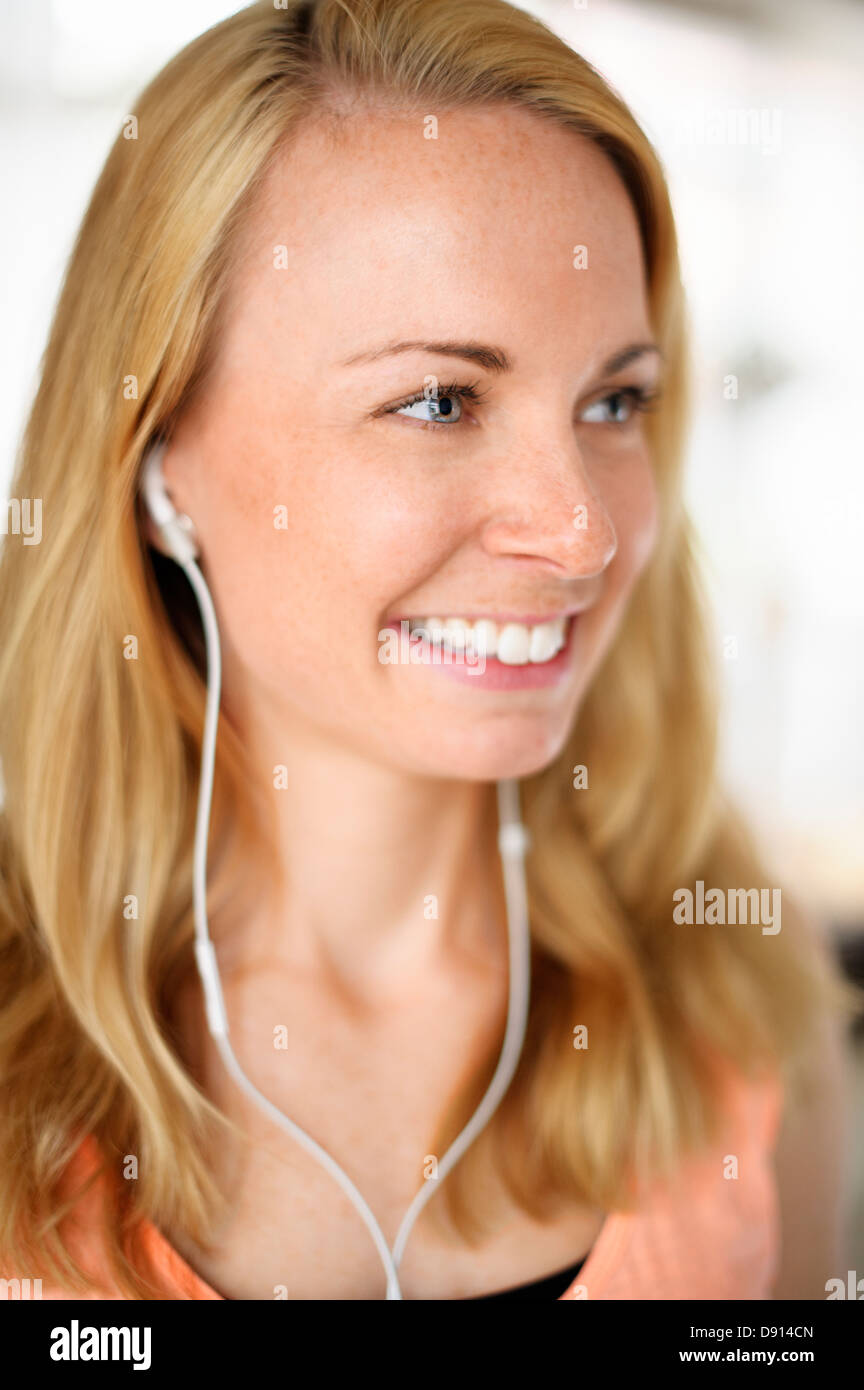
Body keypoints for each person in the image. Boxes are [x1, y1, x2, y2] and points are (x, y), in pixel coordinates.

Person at [0, 0, 856, 1302]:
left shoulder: (731, 979)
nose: (581, 532)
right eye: (440, 399)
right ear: (160, 454)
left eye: (613, 399)